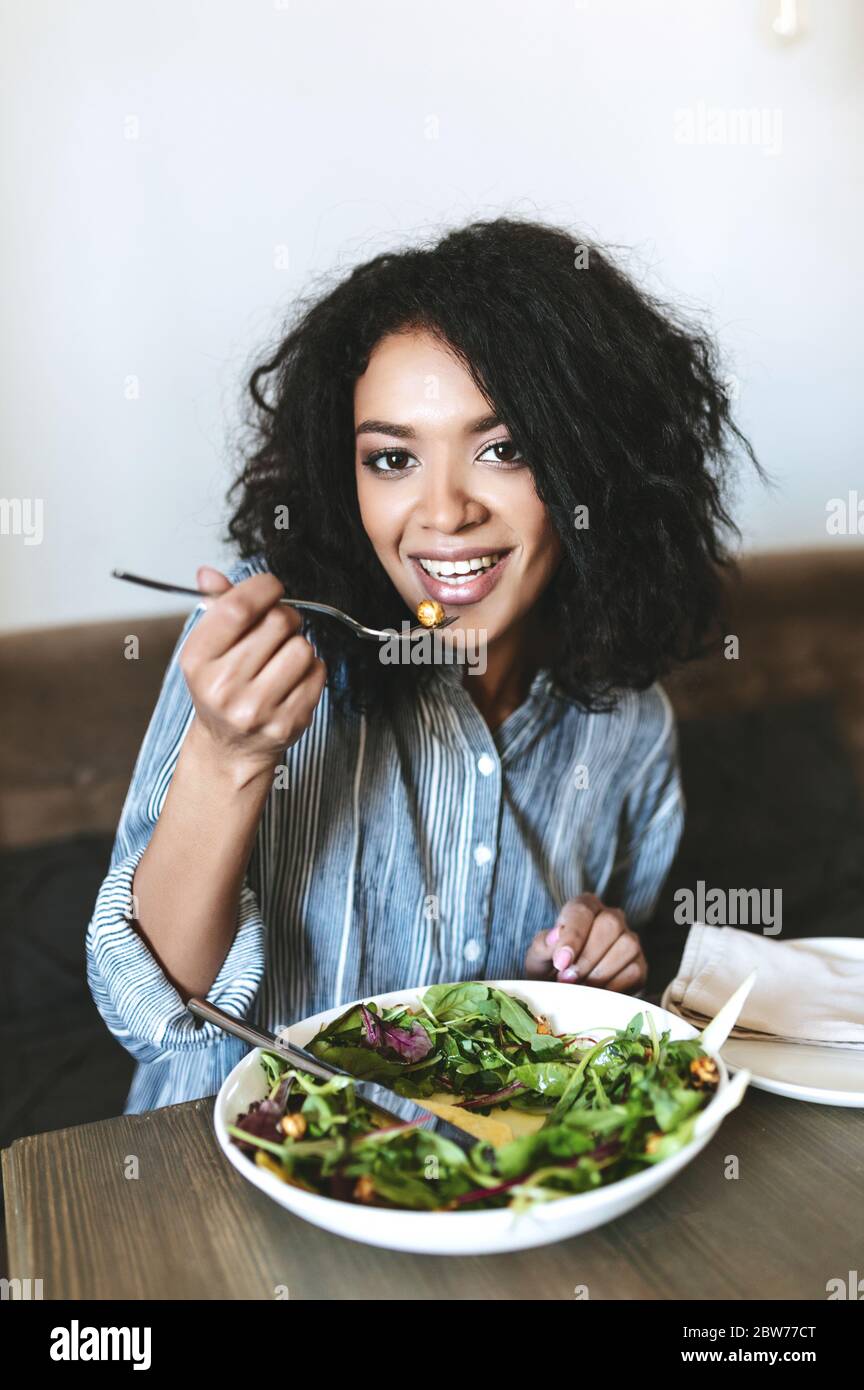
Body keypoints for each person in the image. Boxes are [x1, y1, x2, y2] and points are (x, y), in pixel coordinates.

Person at [87, 217, 757, 1111]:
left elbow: (578, 1024)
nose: (442, 513)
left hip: (485, 1190)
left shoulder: (627, 724)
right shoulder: (265, 651)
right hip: (221, 1192)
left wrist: (589, 977)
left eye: (504, 449)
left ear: (594, 465)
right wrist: (229, 756)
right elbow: (149, 1013)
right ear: (345, 473)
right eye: (393, 457)